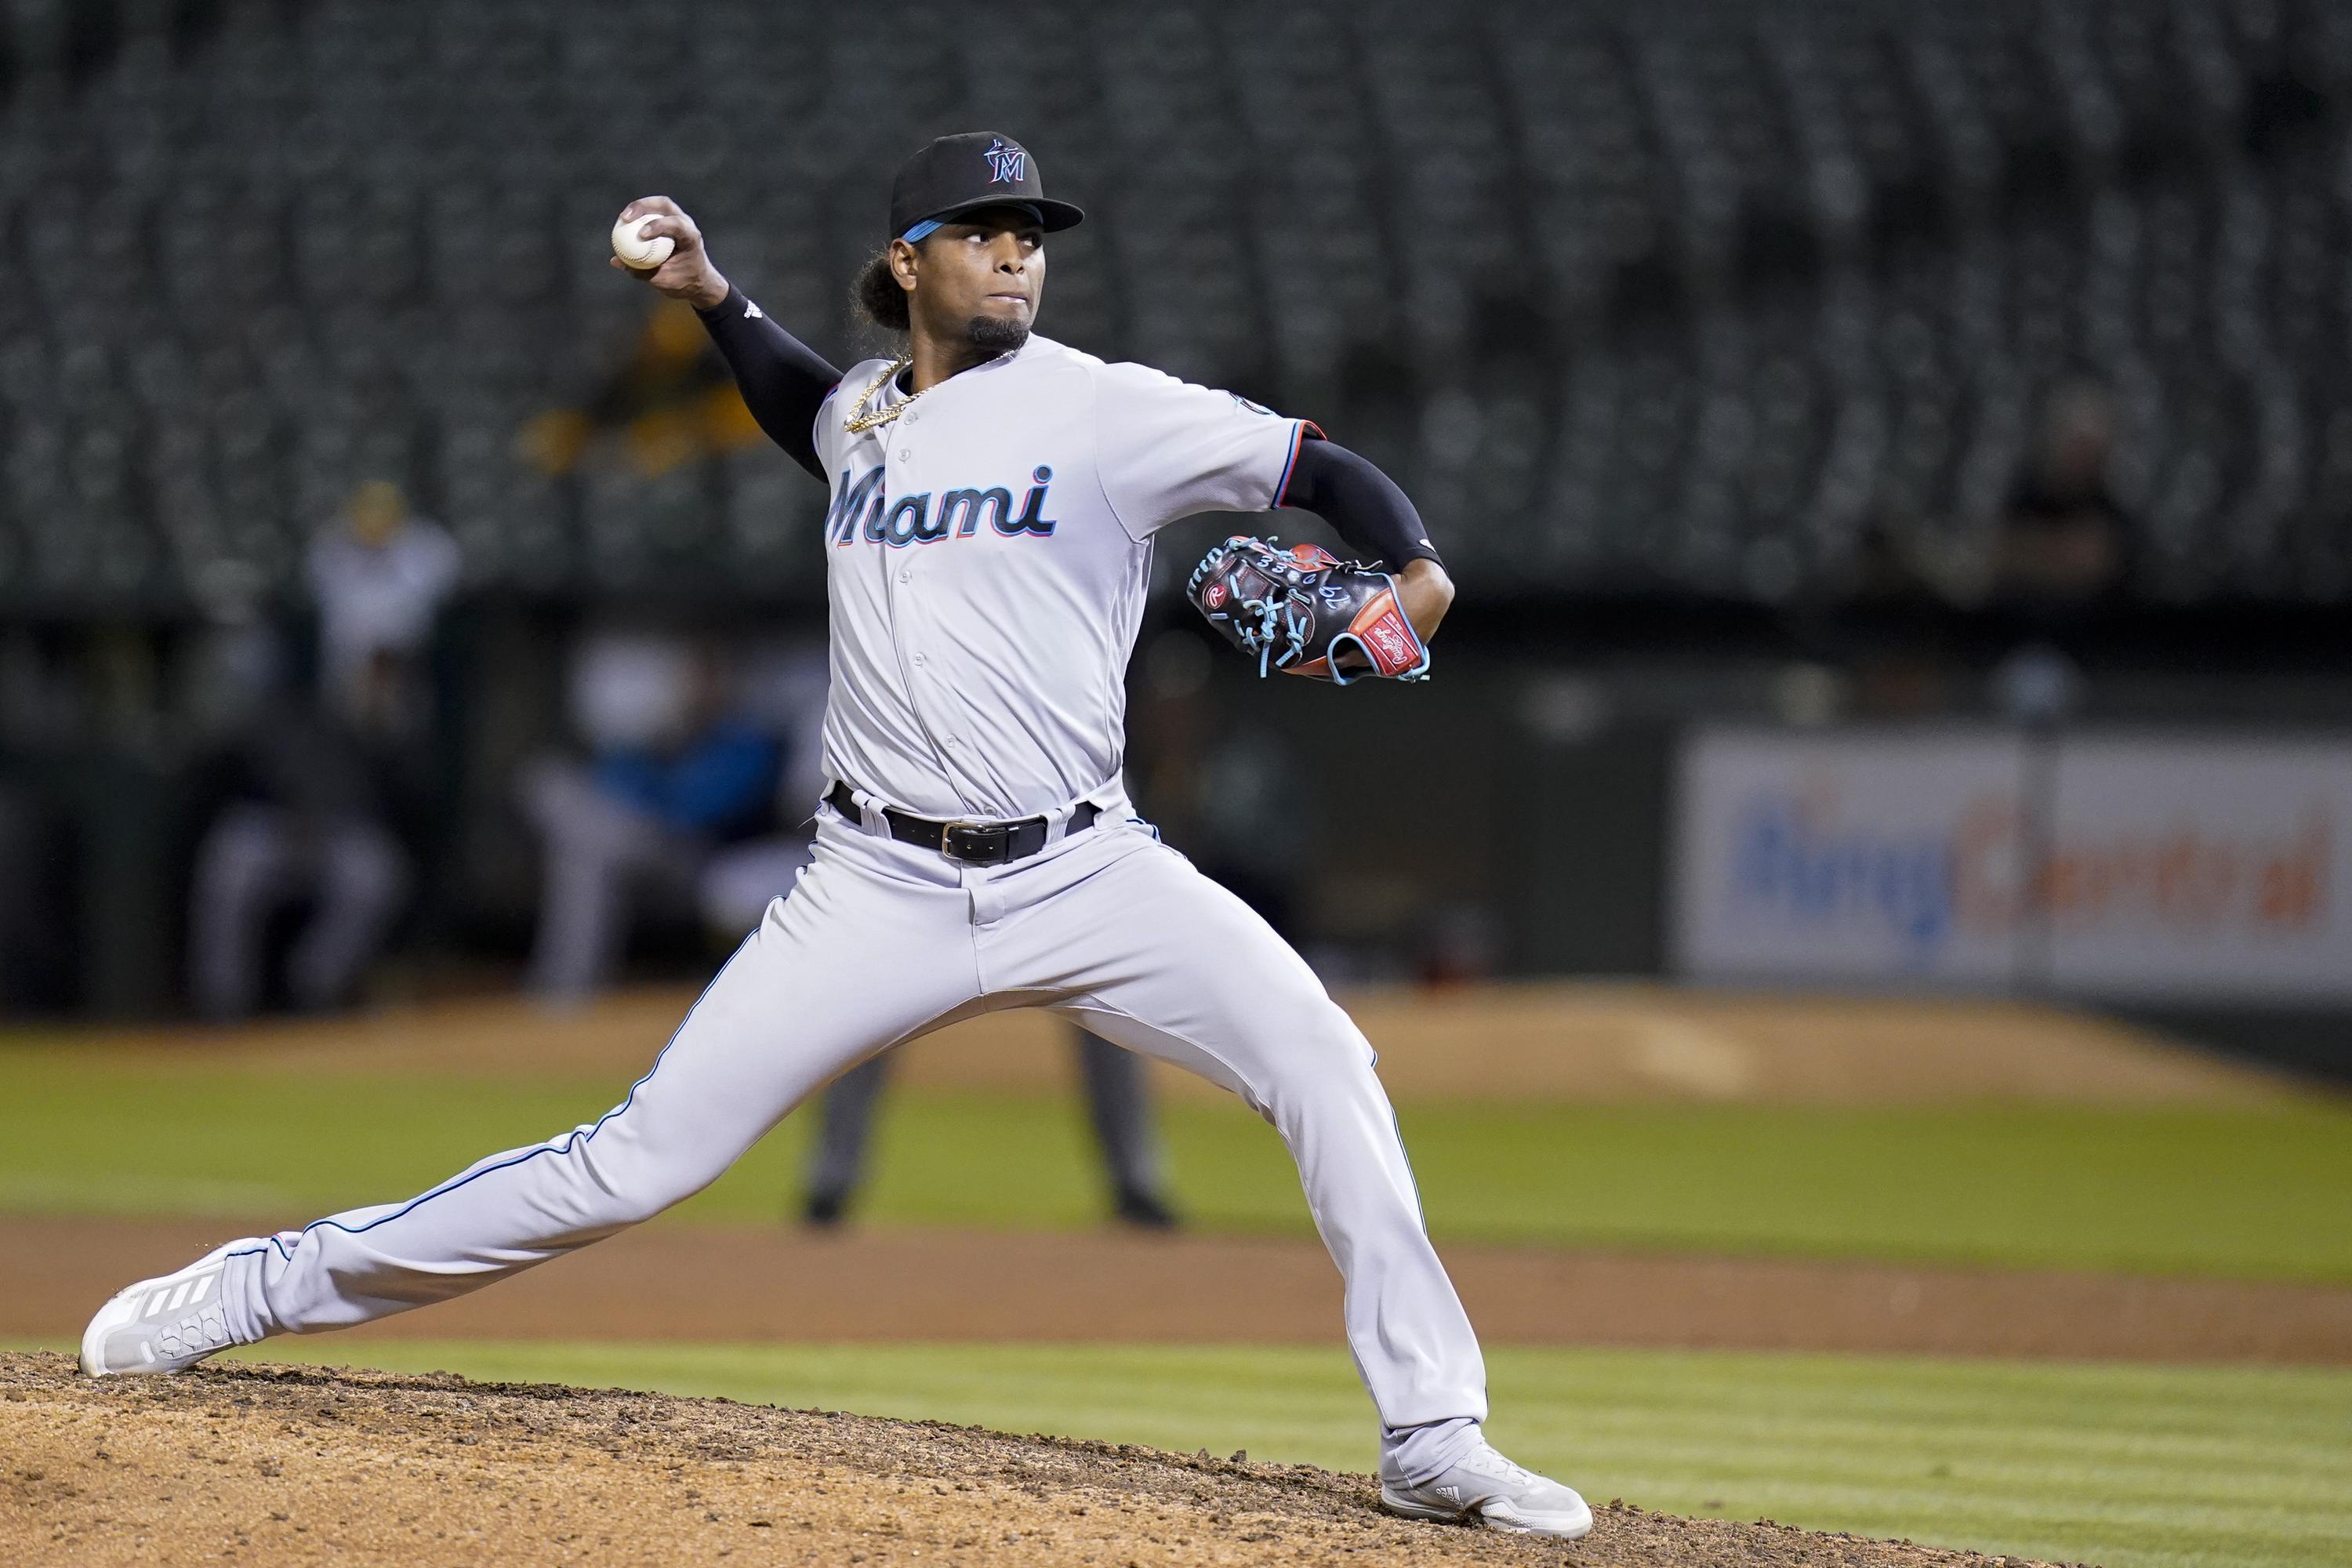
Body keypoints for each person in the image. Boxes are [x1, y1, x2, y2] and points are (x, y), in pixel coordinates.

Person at [79, 133, 1591, 1540]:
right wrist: (711, 294)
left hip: (1088, 867)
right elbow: (803, 403)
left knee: (1323, 1060)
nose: (1017, 256)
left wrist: (1417, 574)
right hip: (875, 882)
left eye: (1033, 235)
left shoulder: (1109, 408)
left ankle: (1432, 1434)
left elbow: (1317, 468)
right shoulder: (868, 414)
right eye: (985, 233)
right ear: (909, 260)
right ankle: (266, 1284)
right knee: (635, 1164)